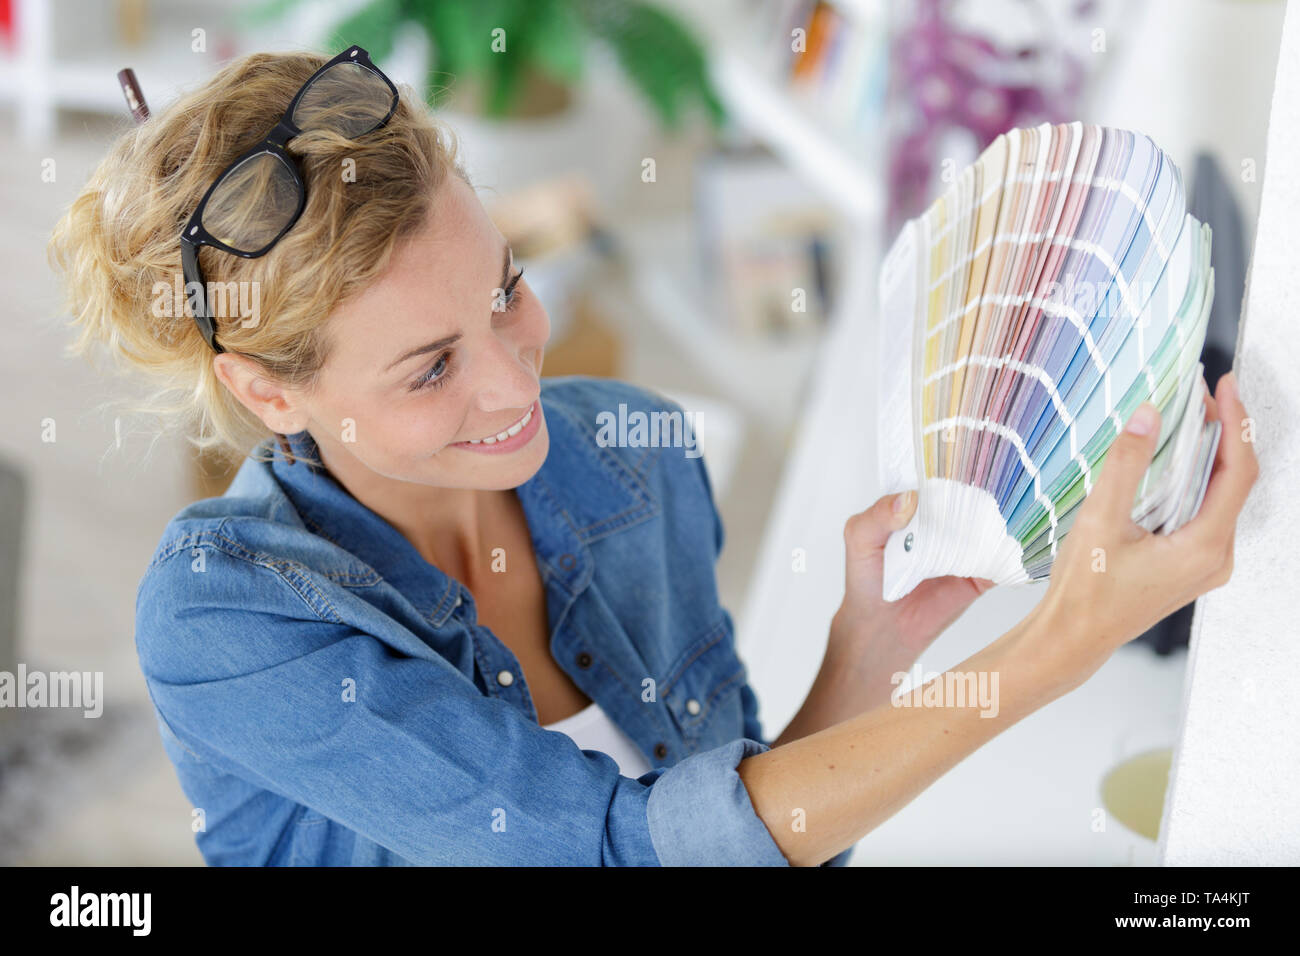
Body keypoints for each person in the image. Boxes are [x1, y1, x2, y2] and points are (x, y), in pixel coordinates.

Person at [47, 46, 1258, 866]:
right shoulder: (226, 621)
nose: (519, 381)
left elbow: (737, 830)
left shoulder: (631, 457)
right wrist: (1052, 649)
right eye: (427, 367)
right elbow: (625, 850)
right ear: (268, 390)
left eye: (507, 290)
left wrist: (867, 653)